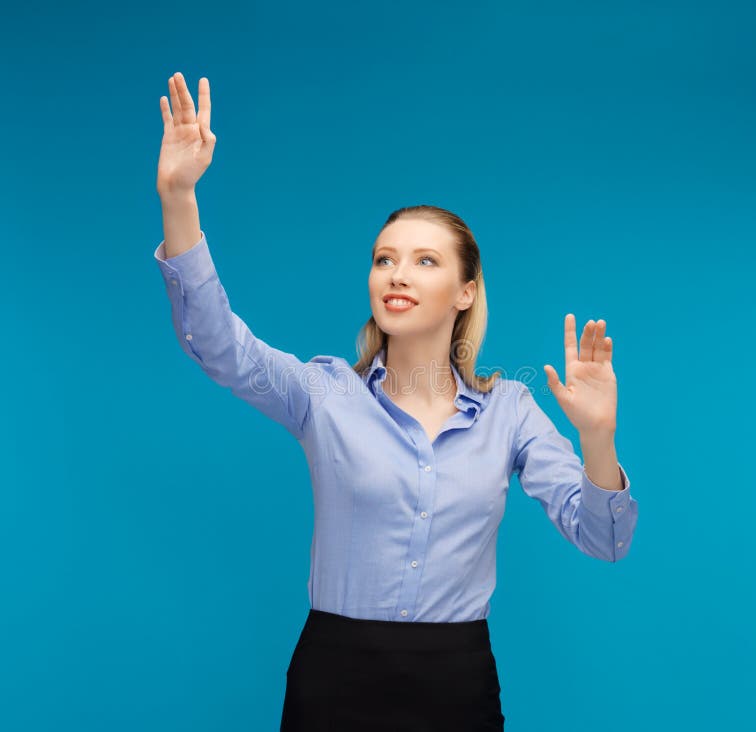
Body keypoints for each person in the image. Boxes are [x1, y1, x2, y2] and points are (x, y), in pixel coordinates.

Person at [153, 71, 639, 732]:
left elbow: (604, 538)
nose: (397, 275)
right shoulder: (324, 394)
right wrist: (179, 196)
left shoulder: (512, 412)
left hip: (456, 682)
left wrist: (598, 439)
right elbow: (215, 342)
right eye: (385, 260)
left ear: (466, 291)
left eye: (424, 261)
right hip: (335, 675)